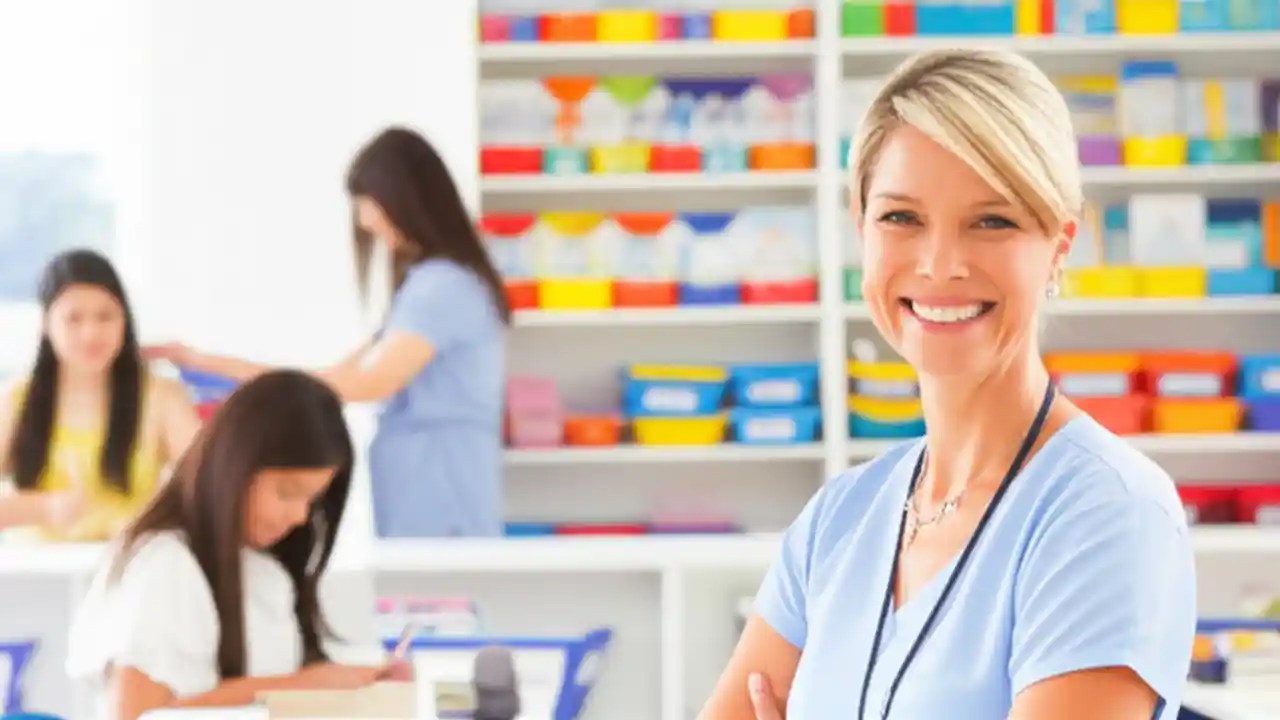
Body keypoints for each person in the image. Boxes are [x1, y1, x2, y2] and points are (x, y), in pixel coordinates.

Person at [699, 49, 1196, 719]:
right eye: (901, 218)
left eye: (992, 221)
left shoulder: (1106, 514)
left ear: (1058, 246)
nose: (941, 264)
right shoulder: (839, 520)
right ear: (862, 231)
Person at [145, 127, 511, 538]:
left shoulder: (441, 287)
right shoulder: (432, 286)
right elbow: (331, 376)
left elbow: (360, 383)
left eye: (369, 205)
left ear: (404, 199)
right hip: (427, 480)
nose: (364, 219)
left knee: (439, 597)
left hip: (440, 484)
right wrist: (202, 362)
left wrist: (243, 382)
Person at [66, 371, 409, 720]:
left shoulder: (261, 564)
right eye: (287, 493)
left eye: (312, 500)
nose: (301, 516)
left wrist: (356, 680)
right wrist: (303, 685)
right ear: (236, 466)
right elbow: (137, 715)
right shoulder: (165, 565)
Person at [0, 249, 200, 541]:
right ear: (46, 324)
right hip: (38, 573)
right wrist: (42, 509)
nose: (91, 334)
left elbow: (212, 489)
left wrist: (154, 516)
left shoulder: (162, 397)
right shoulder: (16, 399)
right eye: (74, 319)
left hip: (133, 568)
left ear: (125, 320)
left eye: (105, 317)